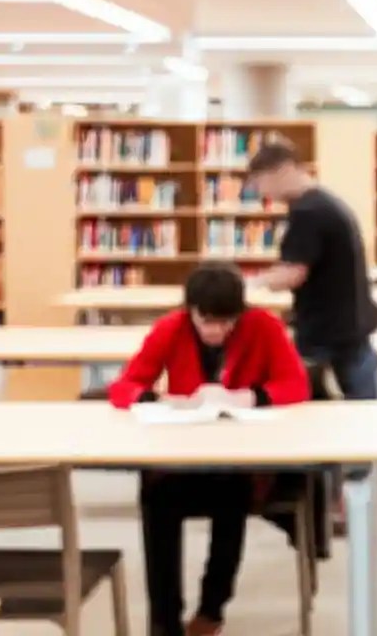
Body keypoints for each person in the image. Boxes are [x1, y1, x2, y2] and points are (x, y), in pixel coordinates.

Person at [108, 263, 310, 636]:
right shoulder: (170, 328)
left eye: (226, 322)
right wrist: (162, 400)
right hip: (180, 458)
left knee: (232, 499)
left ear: (240, 314)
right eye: (207, 321)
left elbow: (296, 385)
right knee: (154, 500)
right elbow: (124, 386)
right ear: (191, 312)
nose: (216, 330)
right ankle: (165, 621)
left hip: (240, 462)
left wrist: (250, 397)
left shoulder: (264, 327)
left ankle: (211, 610)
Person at [247, 139, 377, 538]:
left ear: (281, 171)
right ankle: (368, 507)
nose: (261, 193)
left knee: (323, 426)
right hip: (350, 328)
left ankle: (345, 508)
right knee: (362, 418)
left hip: (326, 337)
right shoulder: (328, 203)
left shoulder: (308, 213)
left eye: (260, 183)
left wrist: (250, 284)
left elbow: (293, 273)